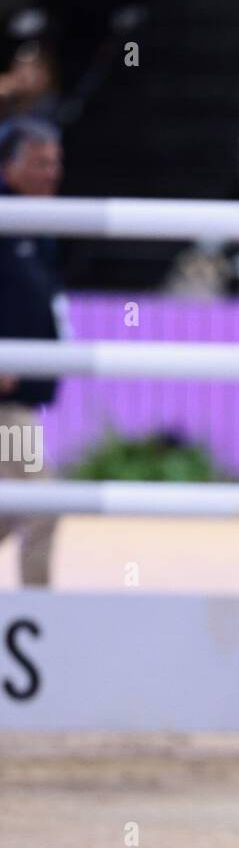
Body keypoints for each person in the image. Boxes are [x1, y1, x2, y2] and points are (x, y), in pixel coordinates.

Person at [0, 115, 65, 586]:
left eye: (55, 163)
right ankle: (42, 617)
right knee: (40, 503)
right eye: (40, 163)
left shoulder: (38, 224)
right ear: (9, 165)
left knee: (18, 505)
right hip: (7, 406)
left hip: (19, 399)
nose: (51, 173)